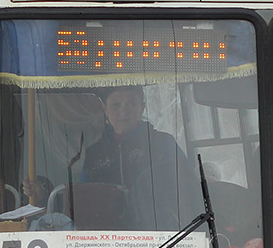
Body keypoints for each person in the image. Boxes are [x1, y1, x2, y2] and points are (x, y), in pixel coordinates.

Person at [80, 86, 197, 229]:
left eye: (131, 104)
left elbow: (189, 190)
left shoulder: (162, 144)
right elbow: (84, 200)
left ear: (142, 108)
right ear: (105, 109)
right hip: (109, 240)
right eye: (116, 105)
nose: (123, 112)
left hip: (162, 236)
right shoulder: (94, 153)